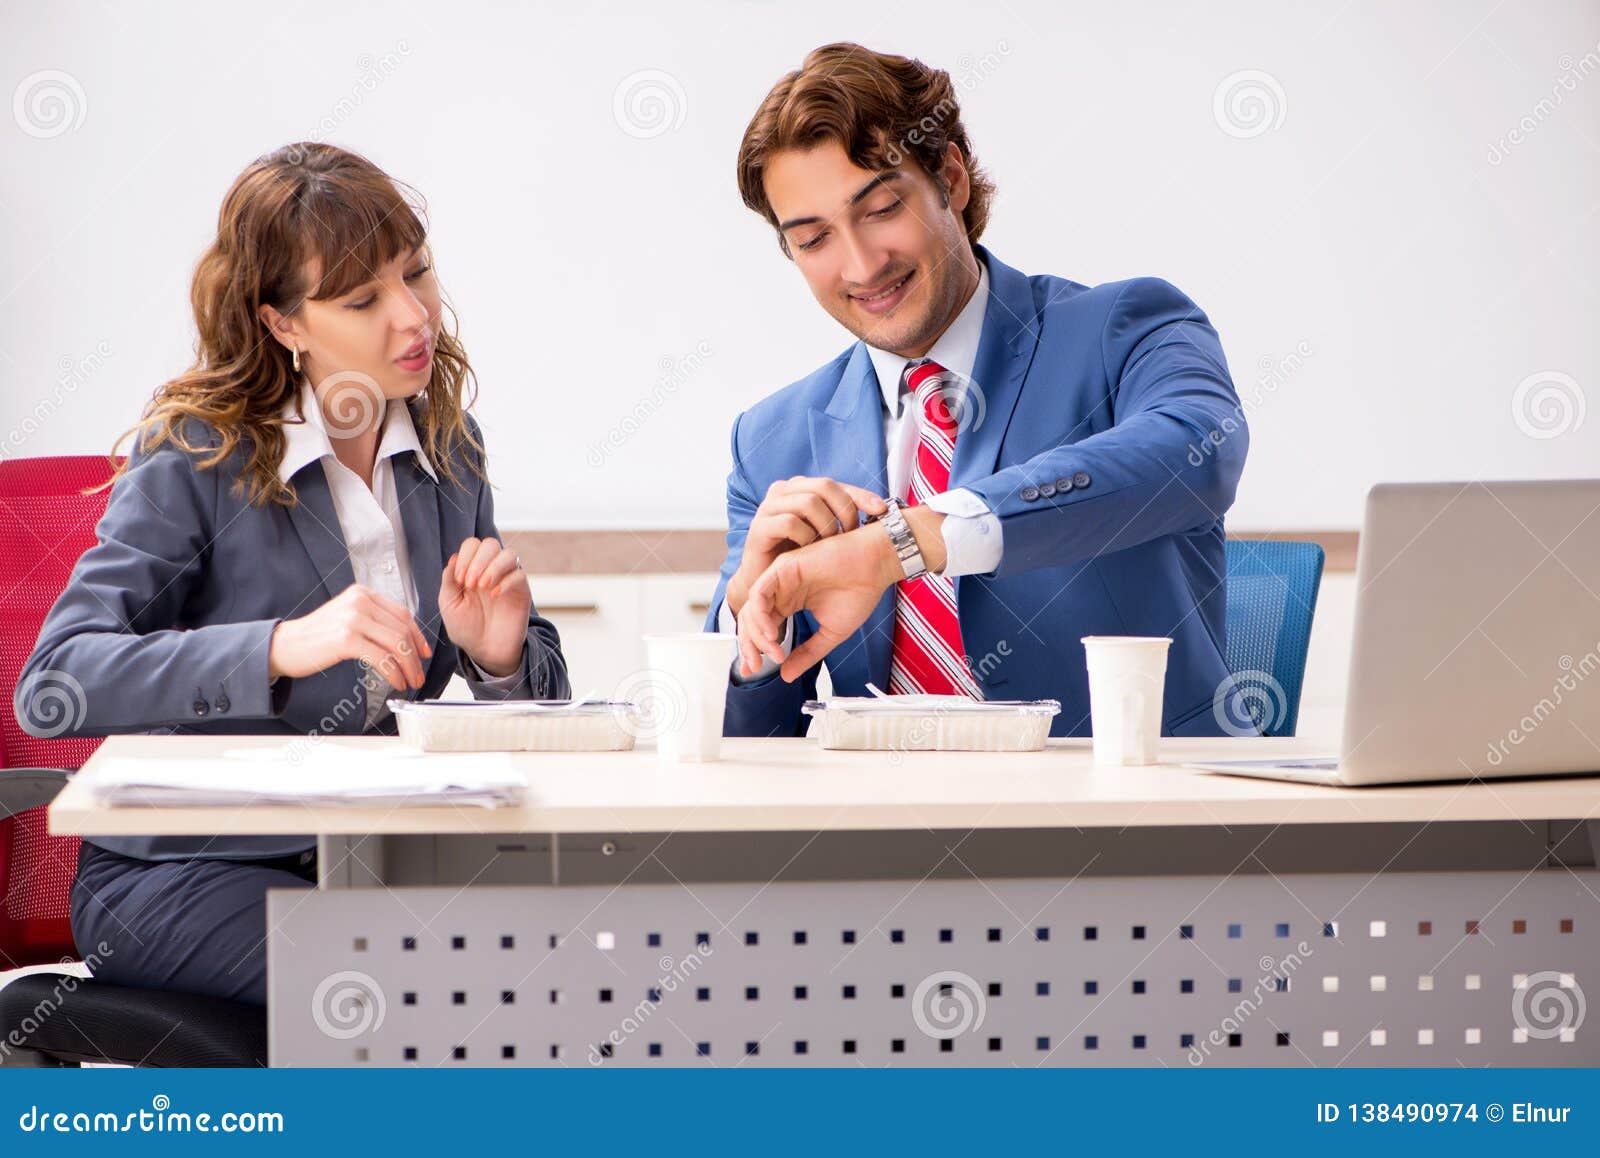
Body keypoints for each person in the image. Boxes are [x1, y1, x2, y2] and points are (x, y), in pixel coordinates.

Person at [18, 142, 569, 1006]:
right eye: (362, 299)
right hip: (189, 878)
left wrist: (499, 660)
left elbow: (534, 681)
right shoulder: (202, 454)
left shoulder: (449, 450)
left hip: (377, 859)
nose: (415, 315)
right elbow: (55, 681)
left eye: (416, 274)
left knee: (563, 965)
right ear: (283, 322)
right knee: (424, 992)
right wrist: (280, 646)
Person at [707, 43, 1249, 738]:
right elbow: (743, 742)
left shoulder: (1124, 328)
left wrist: (901, 544)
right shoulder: (770, 439)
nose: (862, 264)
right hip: (884, 832)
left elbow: (1194, 455)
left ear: (951, 180)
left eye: (880, 209)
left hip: (1131, 823)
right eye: (813, 240)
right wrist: (750, 625)